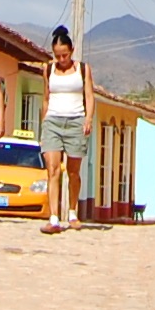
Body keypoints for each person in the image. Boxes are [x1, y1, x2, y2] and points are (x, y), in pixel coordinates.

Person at [40, 25, 92, 230]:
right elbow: (46, 97)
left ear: (71, 52)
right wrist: (44, 123)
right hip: (53, 121)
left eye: (64, 55)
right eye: (57, 56)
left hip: (75, 121)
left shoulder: (83, 69)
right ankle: (53, 217)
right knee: (52, 169)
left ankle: (72, 212)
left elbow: (89, 95)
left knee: (73, 171)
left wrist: (88, 119)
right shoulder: (47, 69)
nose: (61, 60)